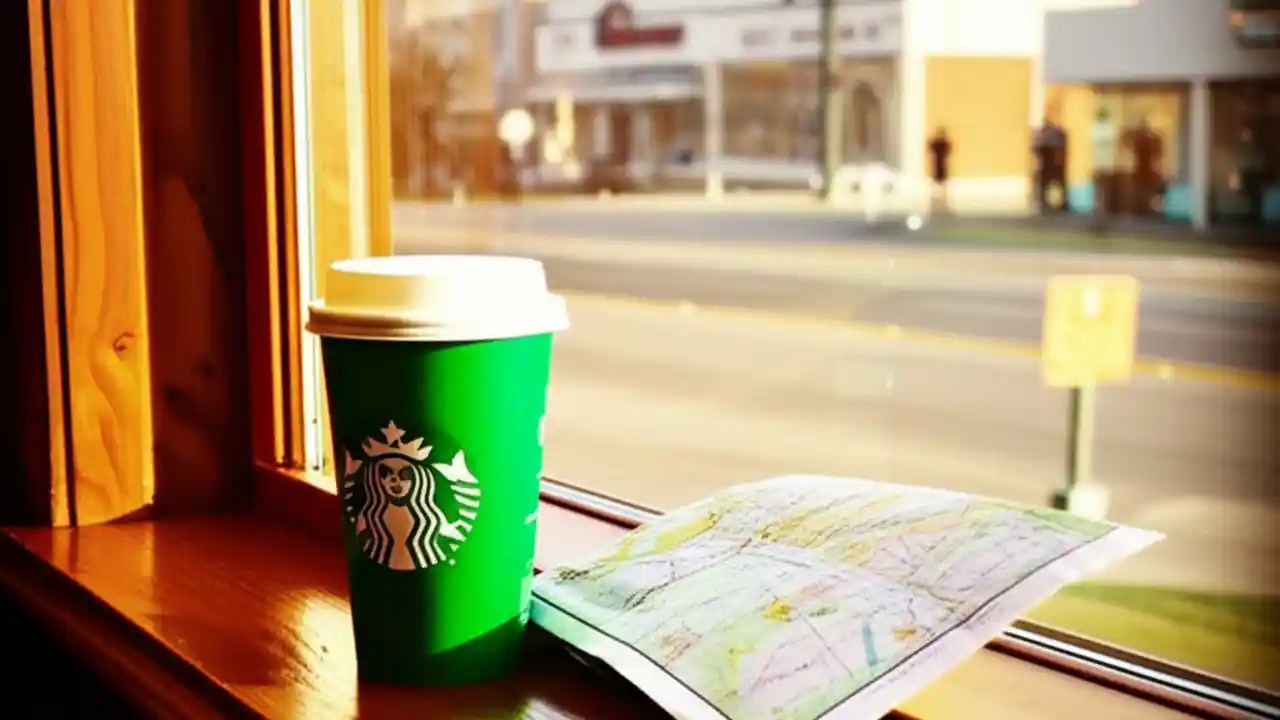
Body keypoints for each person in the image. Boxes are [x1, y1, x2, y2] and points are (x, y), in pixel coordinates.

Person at [928, 127, 952, 213]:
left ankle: (942, 188)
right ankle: (937, 188)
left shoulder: (944, 142)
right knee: (937, 172)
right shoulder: (936, 142)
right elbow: (931, 147)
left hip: (942, 160)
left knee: (942, 172)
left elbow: (949, 149)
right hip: (937, 160)